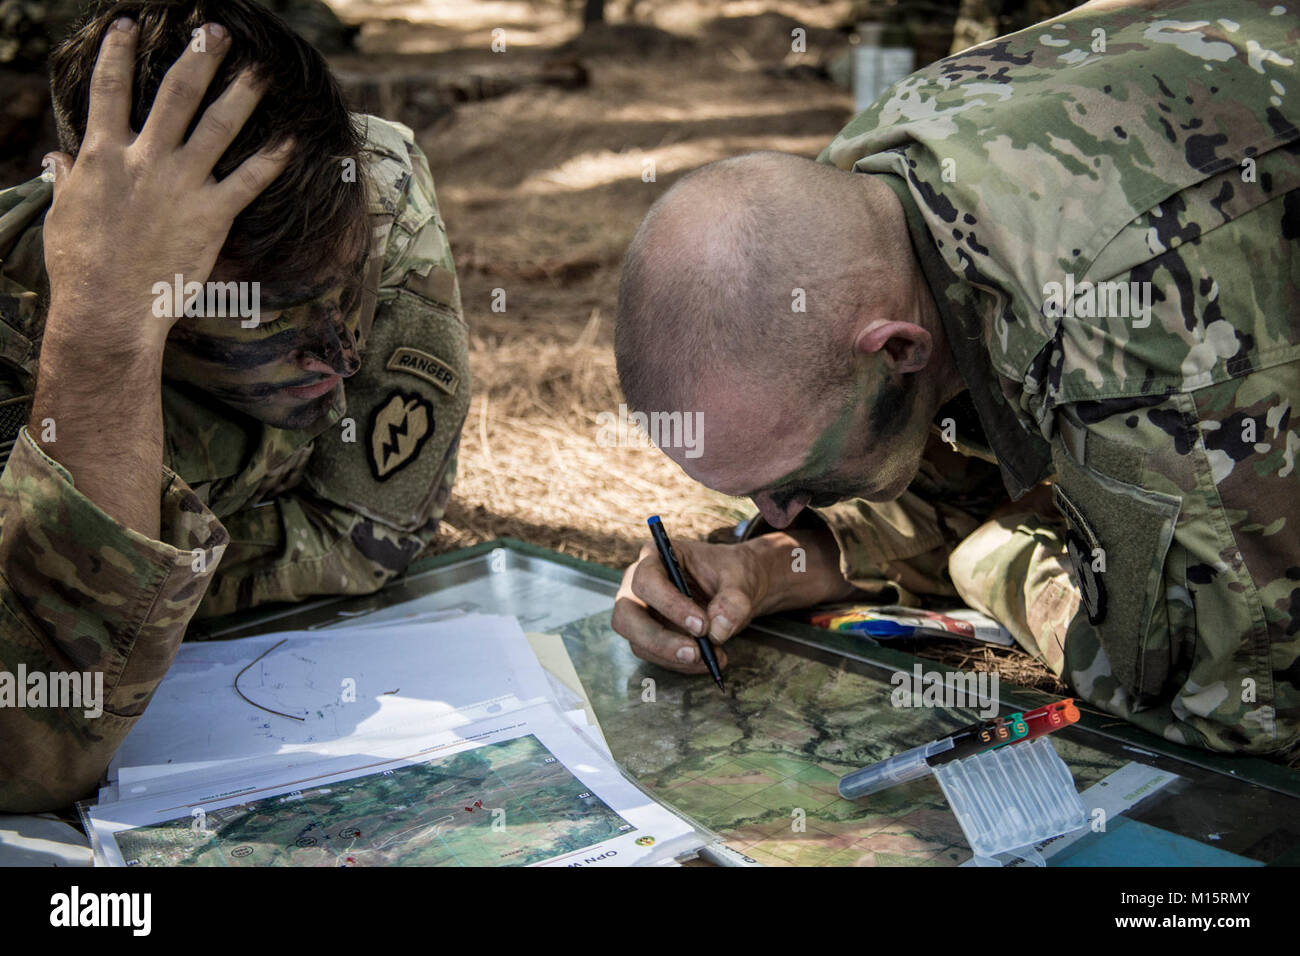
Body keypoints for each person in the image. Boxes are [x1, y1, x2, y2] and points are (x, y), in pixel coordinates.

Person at [611, 0, 1299, 758]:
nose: (776, 514)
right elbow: (955, 455)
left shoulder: (1125, 318)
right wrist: (770, 565)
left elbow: (1243, 705)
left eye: (796, 478)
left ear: (898, 352)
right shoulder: (876, 201)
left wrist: (997, 563)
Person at [0, 0, 470, 811]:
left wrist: (142, 589)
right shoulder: (24, 331)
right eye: (270, 315)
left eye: (347, 284)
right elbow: (29, 755)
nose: (343, 353)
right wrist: (103, 339)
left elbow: (374, 535)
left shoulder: (380, 189)